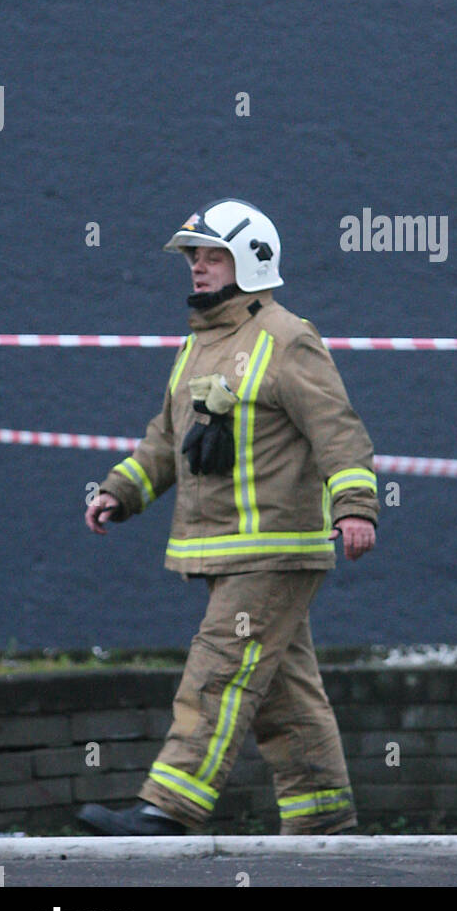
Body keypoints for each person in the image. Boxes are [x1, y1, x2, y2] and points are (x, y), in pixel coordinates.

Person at [78, 198, 379, 837]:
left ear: (251, 261)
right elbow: (164, 440)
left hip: (273, 547)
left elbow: (338, 431)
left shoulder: (286, 337)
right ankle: (325, 822)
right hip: (224, 548)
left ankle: (169, 806)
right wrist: (119, 492)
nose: (198, 267)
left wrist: (356, 508)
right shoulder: (199, 346)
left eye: (213, 255)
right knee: (281, 691)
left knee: (218, 670)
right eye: (195, 255)